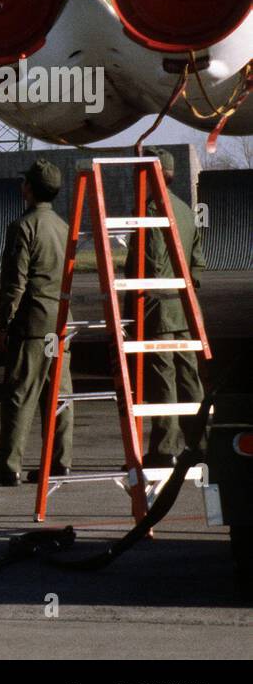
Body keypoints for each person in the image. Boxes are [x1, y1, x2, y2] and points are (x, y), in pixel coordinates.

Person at [0, 159, 74, 486]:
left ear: (28, 188)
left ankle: (8, 464)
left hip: (32, 324)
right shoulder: (63, 227)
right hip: (61, 322)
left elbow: (15, 282)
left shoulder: (23, 226)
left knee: (20, 394)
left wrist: (5, 323)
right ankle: (60, 462)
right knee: (58, 395)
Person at [123, 147, 206, 466]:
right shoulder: (184, 209)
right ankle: (199, 441)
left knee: (163, 379)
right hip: (184, 308)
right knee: (189, 377)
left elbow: (151, 264)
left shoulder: (151, 212)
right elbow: (197, 262)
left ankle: (165, 448)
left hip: (157, 310)